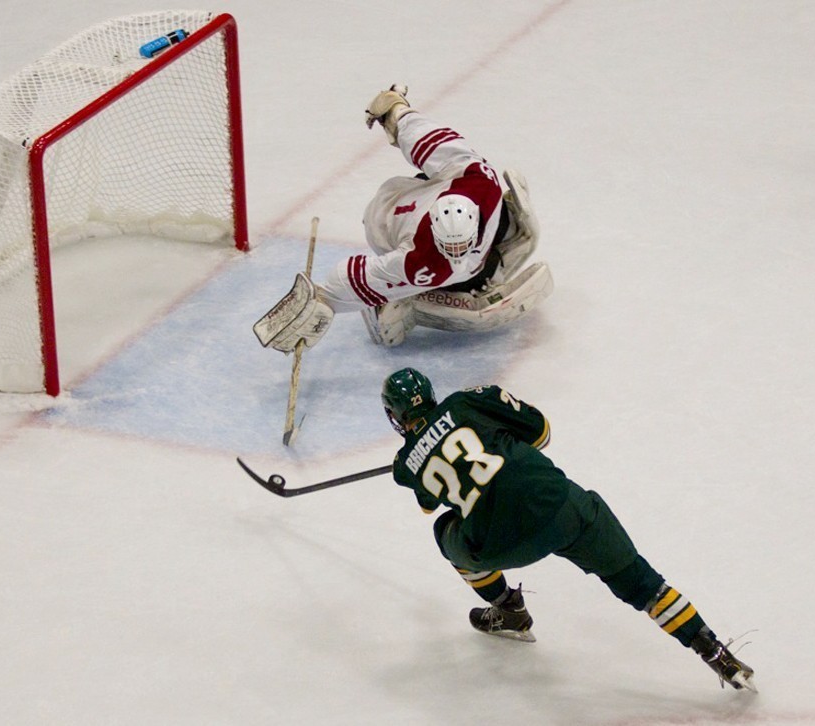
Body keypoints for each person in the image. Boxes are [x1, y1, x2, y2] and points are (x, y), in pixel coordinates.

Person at [379, 367, 757, 692]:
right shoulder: (468, 401)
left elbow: (430, 503)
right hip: (562, 507)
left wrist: (421, 451)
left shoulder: (404, 466)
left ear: (395, 416)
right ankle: (713, 650)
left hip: (500, 543)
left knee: (447, 529)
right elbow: (541, 432)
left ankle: (508, 608)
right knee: (641, 583)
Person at [252, 85, 553, 354]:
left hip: (416, 197)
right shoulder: (424, 262)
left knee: (491, 223)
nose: (456, 254)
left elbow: (428, 141)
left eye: (461, 246)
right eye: (450, 248)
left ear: (474, 218)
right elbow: (358, 275)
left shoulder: (480, 180)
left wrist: (398, 114)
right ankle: (401, 304)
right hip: (385, 226)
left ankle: (462, 266)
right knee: (463, 275)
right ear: (436, 233)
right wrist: (323, 300)